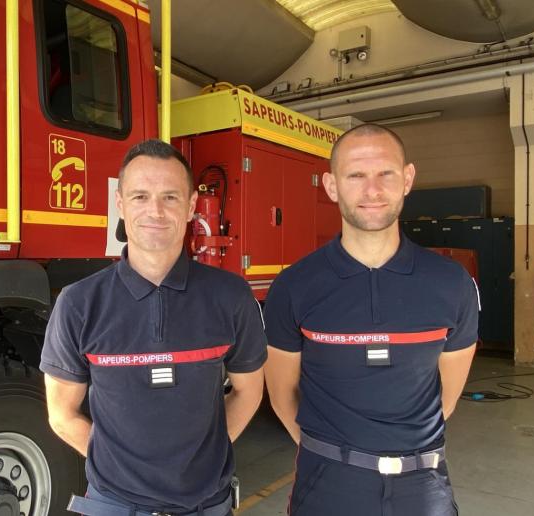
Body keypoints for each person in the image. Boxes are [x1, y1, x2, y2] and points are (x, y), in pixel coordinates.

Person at [41, 139, 267, 516]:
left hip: (207, 505)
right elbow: (61, 414)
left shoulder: (230, 295)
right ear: (120, 203)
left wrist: (203, 456)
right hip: (114, 505)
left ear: (192, 205)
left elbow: (248, 391)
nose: (156, 211)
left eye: (171, 197)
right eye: (141, 196)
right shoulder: (79, 303)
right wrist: (122, 465)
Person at [263, 124, 478, 516]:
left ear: (407, 178)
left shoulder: (451, 285)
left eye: (385, 174)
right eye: (356, 175)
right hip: (326, 484)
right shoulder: (295, 286)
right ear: (331, 186)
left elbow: (446, 395)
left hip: (422, 485)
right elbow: (282, 394)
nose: (372, 190)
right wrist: (336, 456)